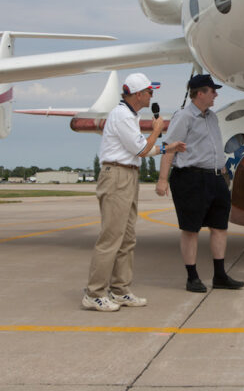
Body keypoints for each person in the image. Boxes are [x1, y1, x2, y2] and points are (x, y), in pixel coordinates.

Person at [82, 73, 185, 312]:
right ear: (138, 94)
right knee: (111, 237)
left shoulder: (128, 116)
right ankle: (94, 292)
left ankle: (120, 289)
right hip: (117, 175)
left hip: (127, 175)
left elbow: (142, 149)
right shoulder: (122, 116)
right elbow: (140, 149)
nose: (152, 96)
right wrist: (156, 130)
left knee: (127, 237)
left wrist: (168, 147)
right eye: (150, 92)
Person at [156, 74, 244, 293]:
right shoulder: (184, 117)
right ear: (200, 93)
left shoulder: (212, 117)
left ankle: (220, 275)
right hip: (190, 178)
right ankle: (192, 277)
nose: (216, 94)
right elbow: (170, 147)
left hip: (215, 177)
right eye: (212, 90)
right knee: (190, 229)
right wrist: (162, 179)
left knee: (220, 227)